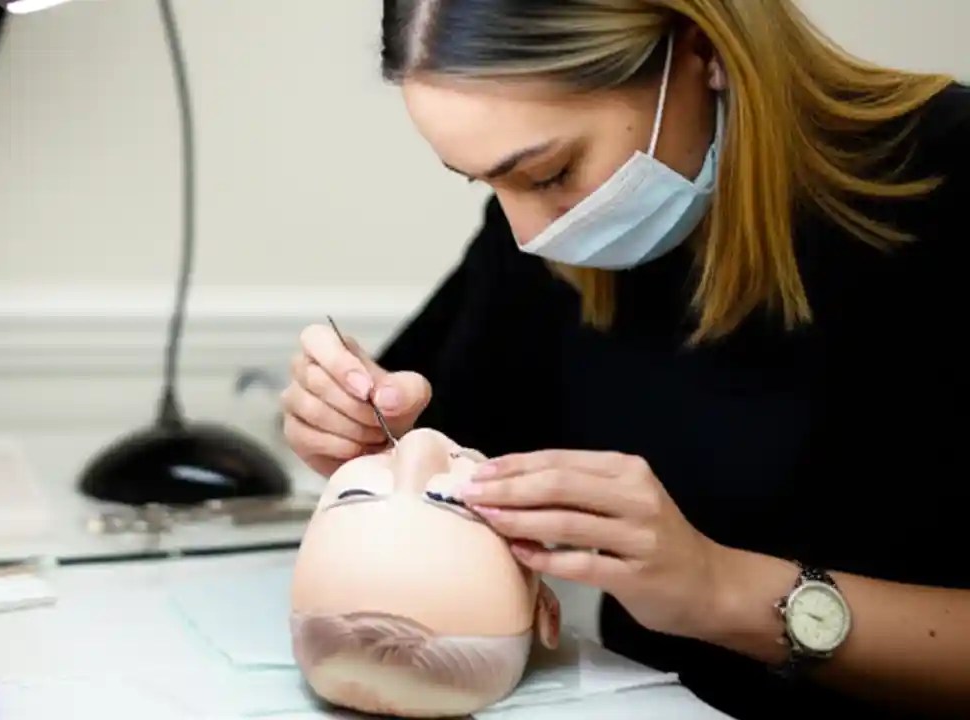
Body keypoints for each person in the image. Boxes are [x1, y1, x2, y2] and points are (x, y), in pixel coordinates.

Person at [280, 1, 970, 718]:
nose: (528, 234)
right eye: (484, 182)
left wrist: (720, 592)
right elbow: (433, 438)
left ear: (704, 50)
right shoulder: (563, 238)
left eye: (549, 173)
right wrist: (352, 430)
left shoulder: (952, 182)